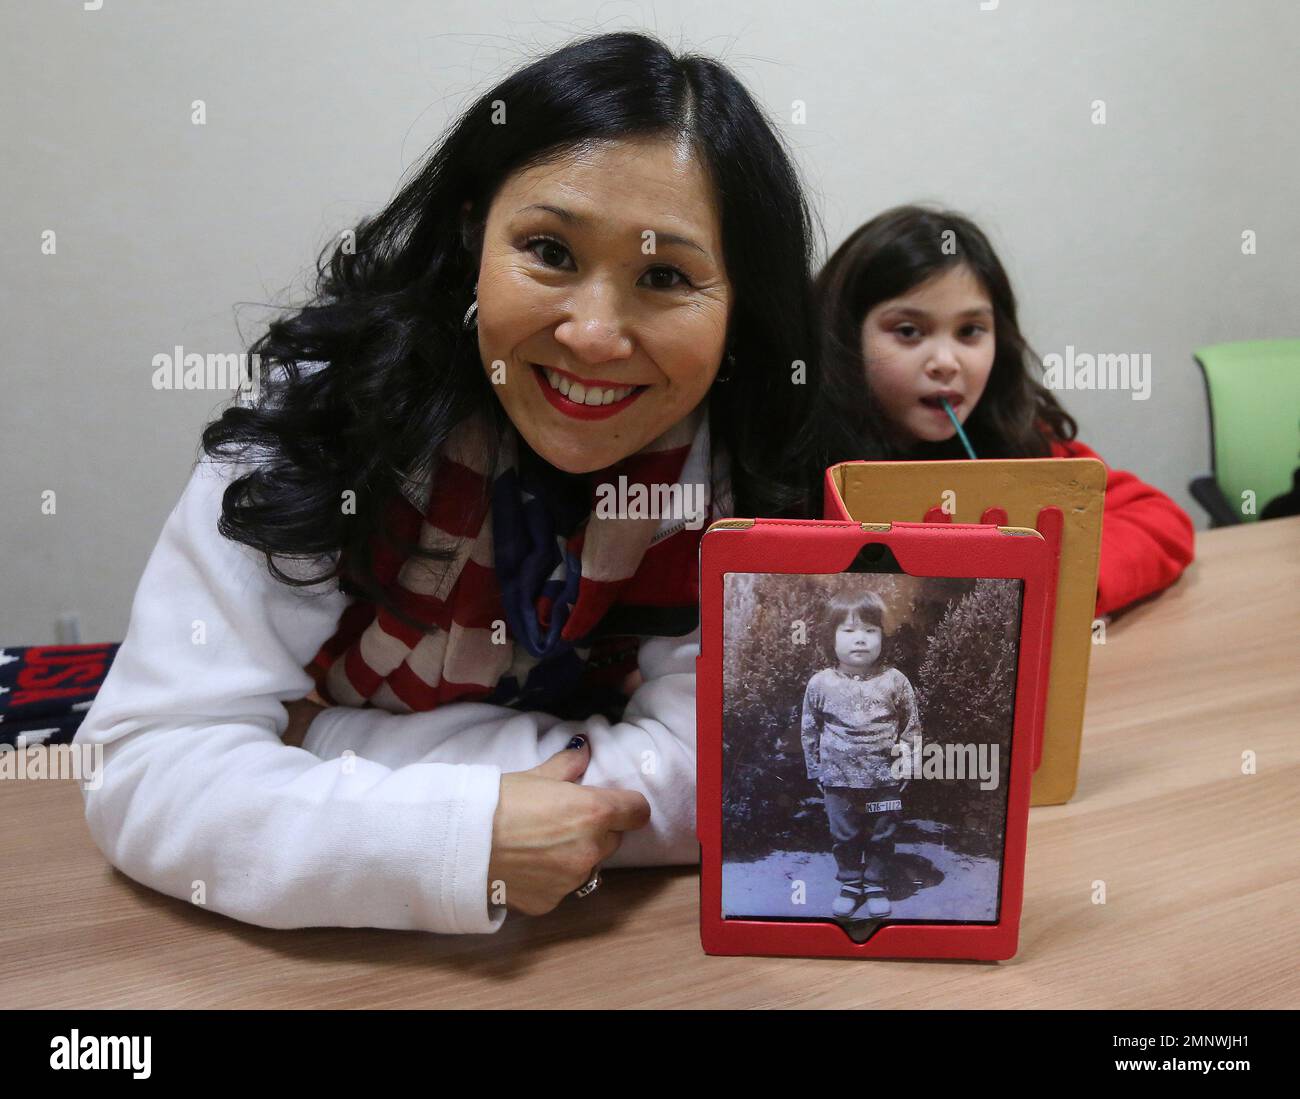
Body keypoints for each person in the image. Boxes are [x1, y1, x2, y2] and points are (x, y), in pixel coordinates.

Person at [74, 32, 843, 935]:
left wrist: (332, 740)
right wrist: (455, 840)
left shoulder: (746, 458)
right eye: (550, 251)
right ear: (476, 234)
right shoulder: (329, 414)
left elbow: (726, 774)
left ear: (739, 305)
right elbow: (146, 765)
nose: (594, 334)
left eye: (665, 276)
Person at [814, 204, 1196, 617]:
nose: (946, 361)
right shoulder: (799, 459)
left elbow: (1158, 520)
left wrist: (1062, 583)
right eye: (909, 331)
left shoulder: (1019, 440)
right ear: (844, 337)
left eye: (970, 331)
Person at [800, 591, 920, 919]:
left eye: (870, 630)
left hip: (884, 778)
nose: (860, 640)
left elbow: (911, 726)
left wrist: (907, 766)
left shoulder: (895, 681)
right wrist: (816, 771)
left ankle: (876, 883)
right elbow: (809, 730)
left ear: (883, 636)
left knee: (883, 832)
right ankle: (851, 882)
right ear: (831, 637)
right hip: (837, 779)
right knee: (845, 834)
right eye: (849, 631)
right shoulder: (820, 684)